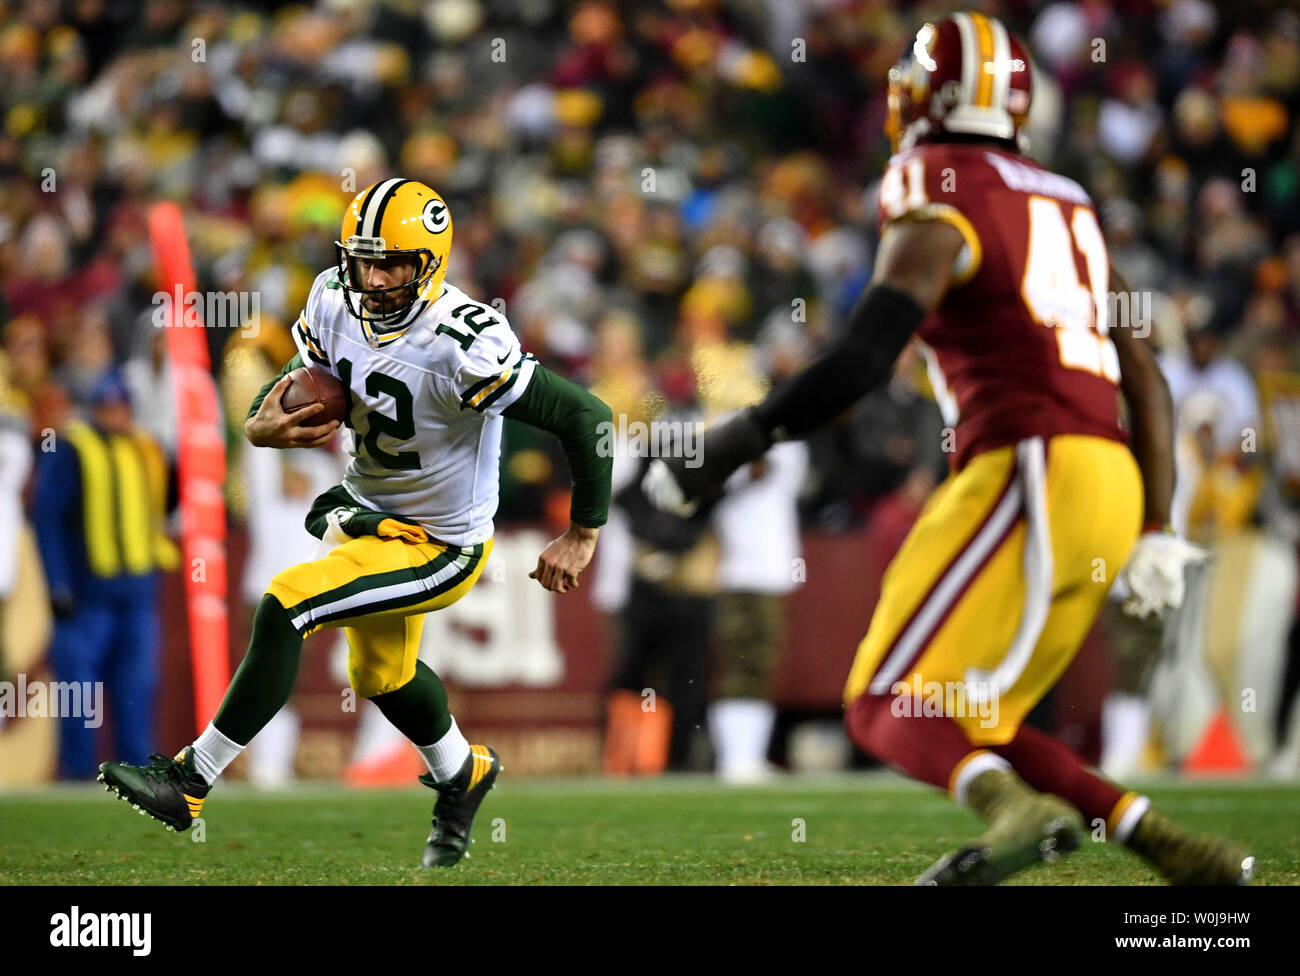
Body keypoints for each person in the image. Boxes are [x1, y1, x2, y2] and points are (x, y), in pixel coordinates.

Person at [645, 12, 1253, 885]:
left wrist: (729, 443)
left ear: (929, 93)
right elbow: (1145, 374)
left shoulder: (934, 182)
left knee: (884, 700)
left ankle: (1013, 812)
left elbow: (862, 355)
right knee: (975, 714)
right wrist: (1156, 520)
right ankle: (1173, 848)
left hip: (1031, 461)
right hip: (1109, 476)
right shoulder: (1067, 200)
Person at [99, 179, 613, 867]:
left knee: (288, 602)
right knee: (382, 677)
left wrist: (582, 532)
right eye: (363, 259)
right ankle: (465, 773)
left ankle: (191, 780)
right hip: (367, 516)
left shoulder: (463, 342)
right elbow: (302, 372)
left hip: (438, 543)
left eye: (392, 263)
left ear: (429, 262)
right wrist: (260, 420)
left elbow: (588, 416)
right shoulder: (332, 300)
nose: (373, 278)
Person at [34, 371, 177, 778]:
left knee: (137, 687)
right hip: (87, 592)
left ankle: (134, 775)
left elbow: (167, 504)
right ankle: (79, 776)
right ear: (95, 409)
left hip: (136, 591)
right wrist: (58, 583)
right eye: (107, 407)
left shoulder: (144, 449)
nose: (115, 414)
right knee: (79, 690)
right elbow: (48, 520)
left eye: (121, 406)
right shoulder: (72, 449)